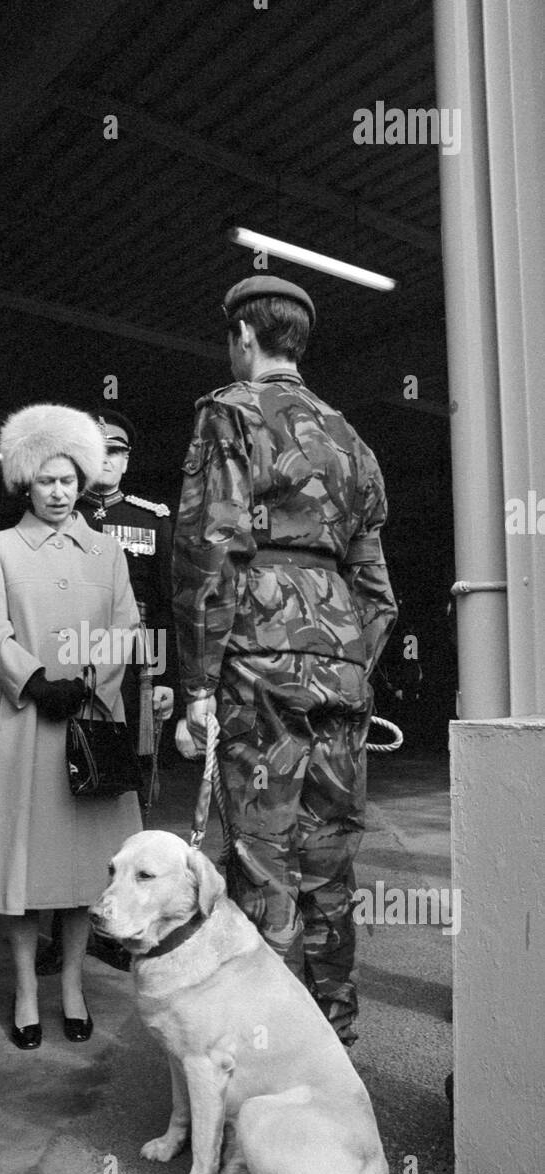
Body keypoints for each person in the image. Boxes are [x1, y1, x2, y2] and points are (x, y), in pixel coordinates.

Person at [173, 275, 397, 1046]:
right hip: (339, 661)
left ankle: (265, 1052)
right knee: (330, 858)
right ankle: (335, 1043)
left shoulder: (230, 411)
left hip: (258, 659)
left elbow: (211, 548)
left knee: (262, 854)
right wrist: (349, 660)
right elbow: (378, 588)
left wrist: (197, 686)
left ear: (244, 337)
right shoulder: (352, 441)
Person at [0, 404, 142, 1049]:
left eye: (69, 479)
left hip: (90, 725)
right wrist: (34, 679)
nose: (60, 492)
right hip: (24, 724)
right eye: (47, 480)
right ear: (25, 484)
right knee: (24, 872)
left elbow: (127, 629)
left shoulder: (110, 551)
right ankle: (24, 990)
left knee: (80, 869)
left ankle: (71, 983)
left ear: (84, 481)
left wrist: (94, 683)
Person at [36, 408, 176, 975]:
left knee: (125, 793)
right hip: (68, 667)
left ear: (127, 458)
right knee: (60, 792)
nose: (108, 459)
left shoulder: (152, 518)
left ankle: (119, 927)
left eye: (117, 449)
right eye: (97, 449)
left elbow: (164, 604)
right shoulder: (53, 515)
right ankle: (55, 930)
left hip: (135, 675)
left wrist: (165, 679)